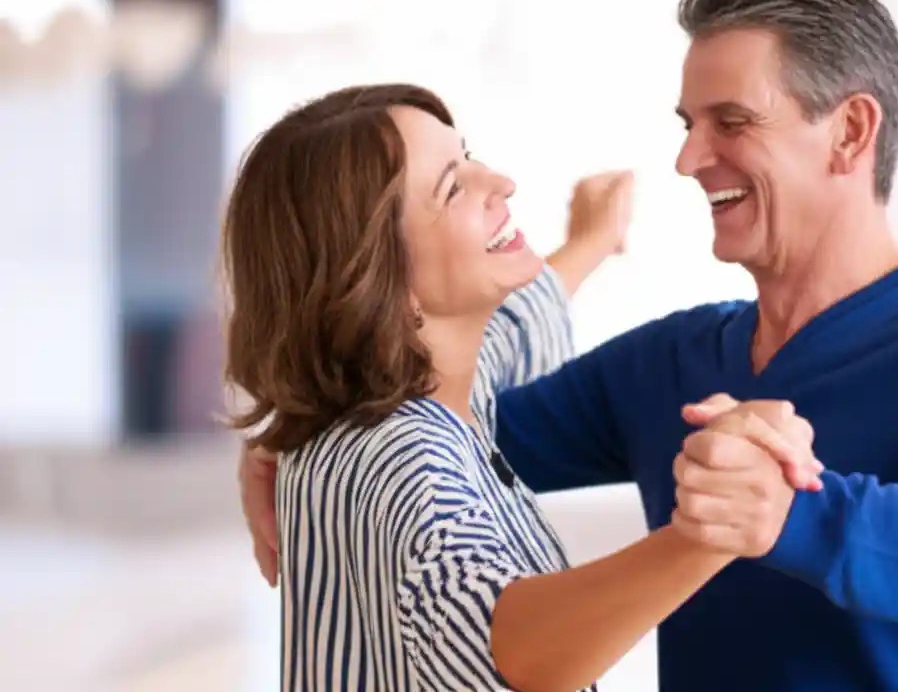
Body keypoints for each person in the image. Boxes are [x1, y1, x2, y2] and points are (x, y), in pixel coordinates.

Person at [240, 0, 898, 690]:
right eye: (689, 126)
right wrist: (299, 424)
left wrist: (794, 517)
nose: (690, 159)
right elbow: (457, 419)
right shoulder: (674, 360)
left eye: (731, 123)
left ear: (850, 132)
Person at [220, 83, 821, 691]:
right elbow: (509, 643)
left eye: (469, 155)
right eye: (452, 187)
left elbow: (513, 326)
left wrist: (591, 241)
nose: (499, 182)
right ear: (376, 278)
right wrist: (714, 528)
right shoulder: (407, 457)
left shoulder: (421, 393)